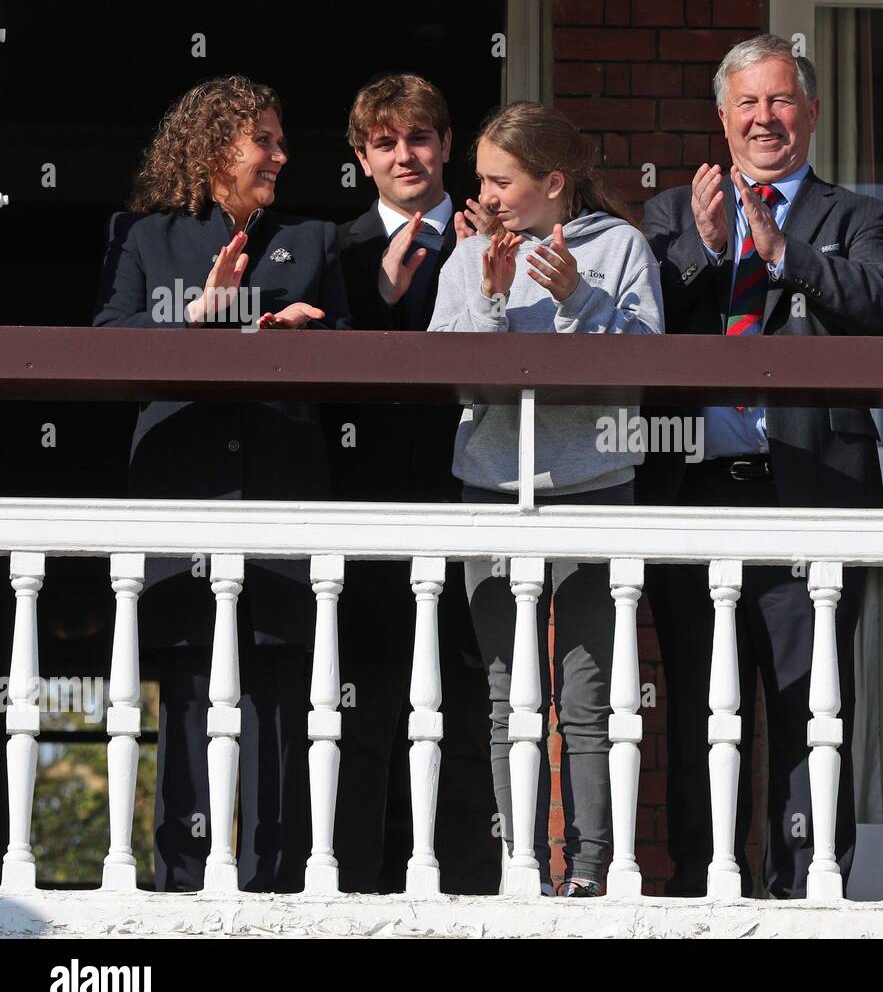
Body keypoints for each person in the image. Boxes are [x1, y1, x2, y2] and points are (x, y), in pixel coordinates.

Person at [640, 34, 883, 899]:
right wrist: (704, 252)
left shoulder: (857, 216)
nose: (766, 118)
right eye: (748, 104)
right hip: (692, 496)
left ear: (812, 111)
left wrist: (783, 256)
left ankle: (809, 885)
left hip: (806, 493)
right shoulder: (668, 215)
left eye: (782, 100)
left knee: (810, 710)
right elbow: (639, 324)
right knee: (698, 706)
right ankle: (703, 881)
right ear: (722, 119)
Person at [93, 75, 347, 891]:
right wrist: (200, 319)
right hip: (181, 498)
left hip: (279, 498)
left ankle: (272, 887)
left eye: (278, 139)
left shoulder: (314, 240)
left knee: (275, 697)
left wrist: (295, 338)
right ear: (213, 150)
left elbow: (354, 364)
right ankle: (179, 885)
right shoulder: (142, 237)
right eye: (264, 139)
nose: (281, 153)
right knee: (191, 696)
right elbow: (107, 343)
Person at [429, 100, 663, 895]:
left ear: (553, 182)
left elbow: (646, 370)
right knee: (506, 695)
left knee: (587, 692)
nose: (486, 196)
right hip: (491, 490)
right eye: (483, 181)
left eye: (502, 180)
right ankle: (521, 865)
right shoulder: (465, 259)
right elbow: (452, 381)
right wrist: (493, 303)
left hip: (595, 486)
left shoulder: (623, 247)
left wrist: (578, 300)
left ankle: (590, 872)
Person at [326, 73, 496, 894]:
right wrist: (381, 299)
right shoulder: (336, 250)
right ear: (362, 157)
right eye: (386, 142)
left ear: (446, 145)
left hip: (470, 503)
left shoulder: (491, 233)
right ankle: (356, 889)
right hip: (365, 516)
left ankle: (465, 889)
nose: (406, 155)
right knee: (364, 709)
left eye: (420, 138)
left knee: (466, 705)